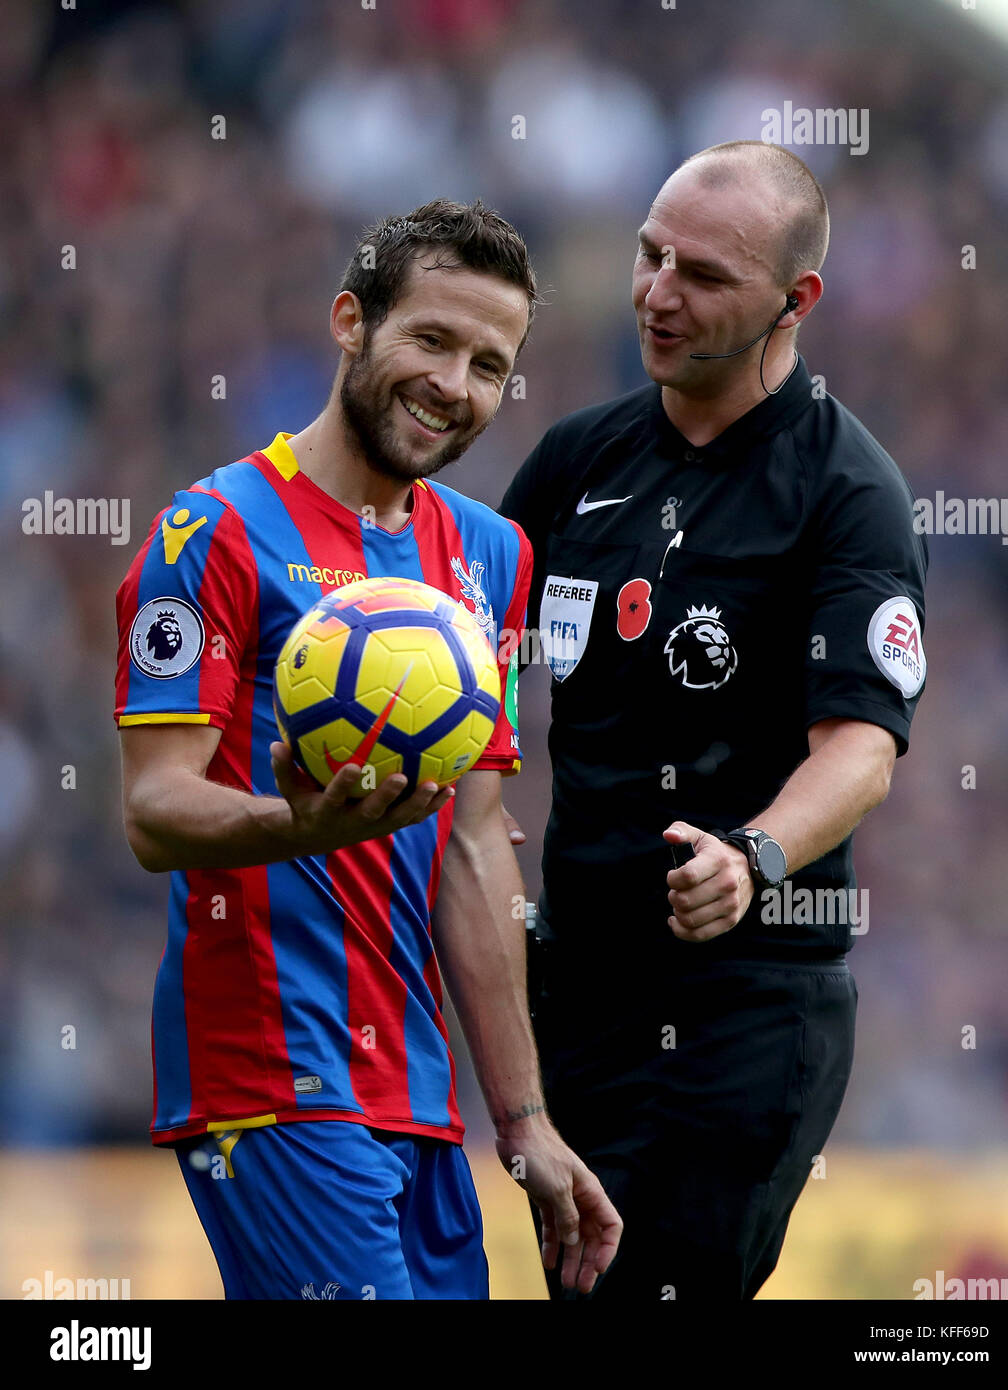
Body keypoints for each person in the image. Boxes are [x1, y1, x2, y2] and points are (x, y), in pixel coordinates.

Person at [114, 199, 621, 1300]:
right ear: (351, 320)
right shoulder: (213, 533)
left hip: (420, 1095)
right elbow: (154, 812)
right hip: (270, 1078)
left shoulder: (490, 554)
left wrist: (524, 1117)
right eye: (431, 340)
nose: (455, 384)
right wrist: (295, 823)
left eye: (489, 364)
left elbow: (476, 853)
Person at [500, 142, 928, 1300]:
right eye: (649, 256)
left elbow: (861, 747)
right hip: (573, 994)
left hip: (746, 1002)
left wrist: (754, 855)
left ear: (796, 302)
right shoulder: (573, 463)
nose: (656, 293)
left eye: (701, 275)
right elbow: (458, 660)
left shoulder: (848, 492)